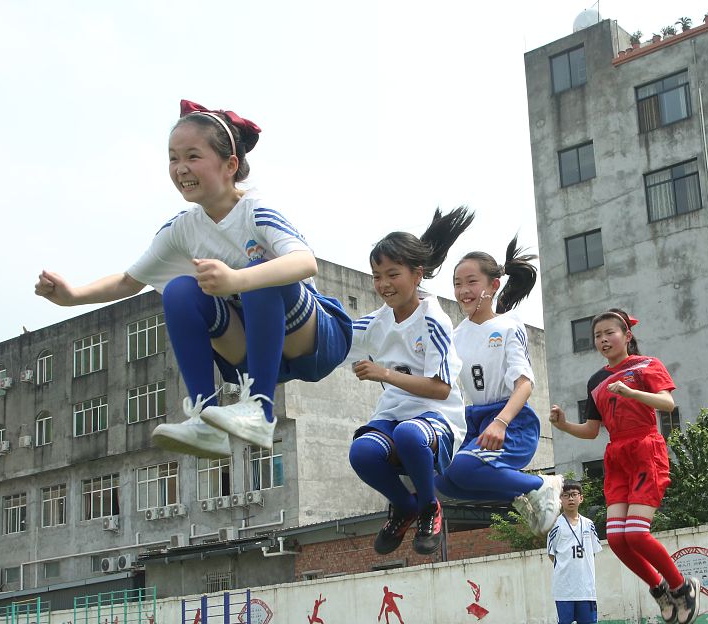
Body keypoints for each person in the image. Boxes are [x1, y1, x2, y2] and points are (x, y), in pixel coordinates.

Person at [35, 99, 352, 458]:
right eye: (173, 158)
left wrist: (235, 280)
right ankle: (204, 418)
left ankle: (260, 411)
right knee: (180, 290)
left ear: (230, 165)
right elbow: (129, 281)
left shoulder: (255, 211)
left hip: (313, 341)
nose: (181, 168)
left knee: (255, 275)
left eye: (192, 156)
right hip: (253, 350)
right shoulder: (183, 229)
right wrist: (71, 295)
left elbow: (305, 261)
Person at [549, 309, 699, 624]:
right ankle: (659, 589)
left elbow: (668, 404)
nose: (603, 340)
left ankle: (682, 588)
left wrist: (632, 393)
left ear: (627, 336)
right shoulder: (596, 381)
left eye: (609, 333)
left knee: (636, 533)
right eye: (597, 336)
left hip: (645, 448)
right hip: (616, 455)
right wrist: (563, 425)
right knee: (617, 539)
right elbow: (591, 430)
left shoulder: (647, 365)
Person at [348, 208, 473, 557]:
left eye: (392, 274)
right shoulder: (376, 321)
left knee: (409, 434)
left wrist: (385, 374)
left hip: (436, 417)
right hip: (393, 416)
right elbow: (334, 338)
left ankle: (430, 505)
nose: (383, 284)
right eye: (376, 276)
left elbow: (441, 388)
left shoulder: (433, 320)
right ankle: (404, 506)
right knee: (362, 451)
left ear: (416, 274)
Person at [435, 238, 563, 535]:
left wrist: (501, 422)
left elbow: (524, 384)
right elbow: (443, 388)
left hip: (511, 421)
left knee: (463, 468)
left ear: (493, 286)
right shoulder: (455, 336)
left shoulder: (509, 326)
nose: (463, 290)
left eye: (471, 282)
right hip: (474, 421)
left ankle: (542, 484)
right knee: (442, 479)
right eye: (457, 284)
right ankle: (519, 495)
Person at [546, 480, 603, 624]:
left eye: (574, 494)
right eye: (566, 494)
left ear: (581, 498)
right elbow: (551, 554)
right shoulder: (556, 525)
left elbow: (593, 551)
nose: (571, 498)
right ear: (560, 499)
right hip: (564, 585)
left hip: (586, 584)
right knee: (564, 623)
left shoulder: (589, 525)